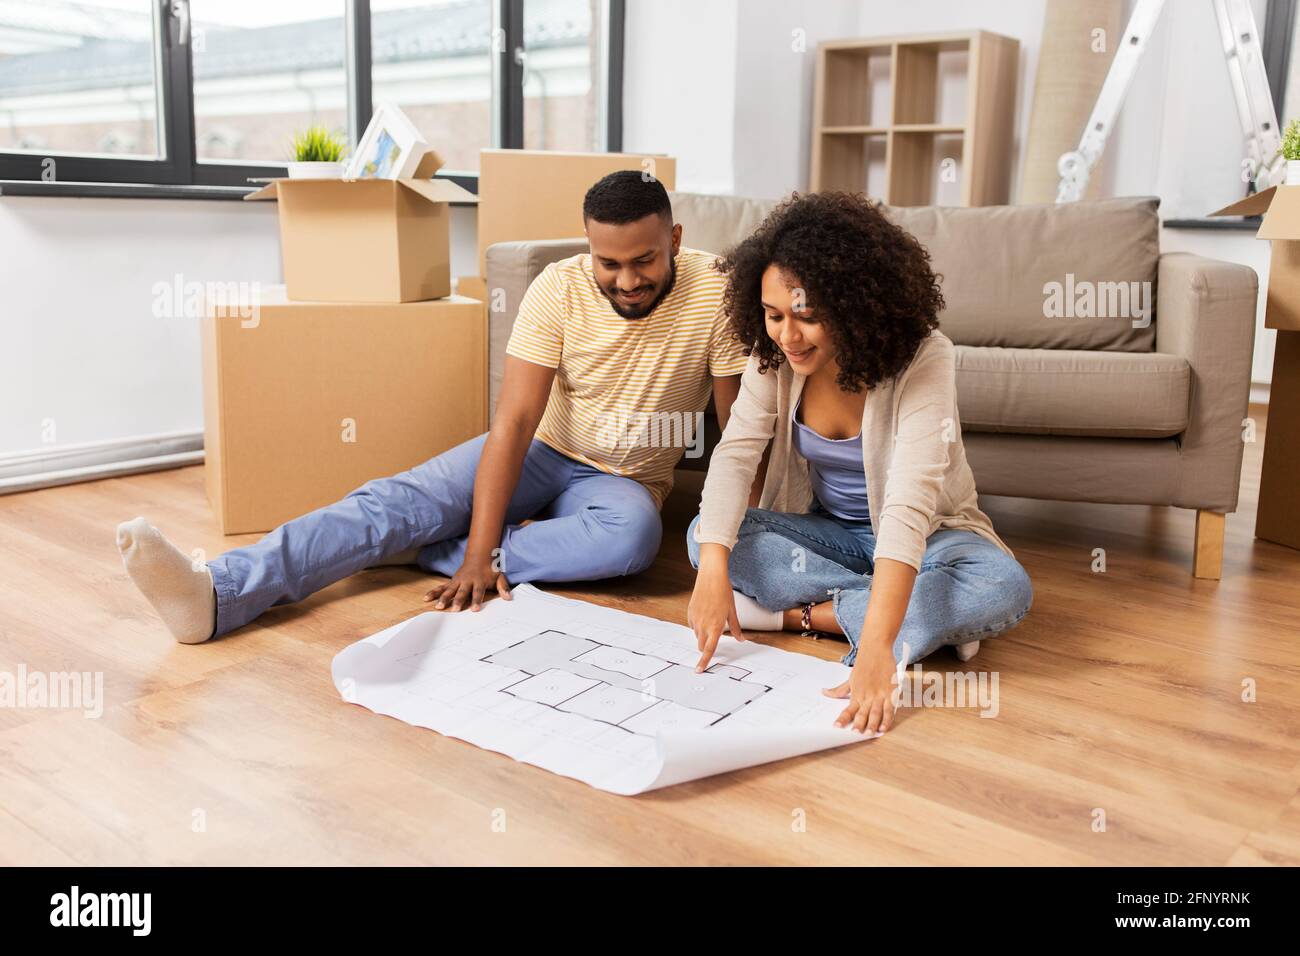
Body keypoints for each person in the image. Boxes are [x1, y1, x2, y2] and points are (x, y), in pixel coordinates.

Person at [118, 170, 749, 643]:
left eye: (644, 260)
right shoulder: (558, 287)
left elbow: (735, 432)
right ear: (589, 248)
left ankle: (420, 545)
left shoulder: (716, 290)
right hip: (542, 449)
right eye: (609, 263)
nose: (628, 281)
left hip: (623, 485)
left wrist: (484, 554)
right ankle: (218, 592)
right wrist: (478, 557)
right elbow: (515, 423)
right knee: (390, 504)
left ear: (674, 239)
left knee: (632, 541)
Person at [685, 191, 1033, 736]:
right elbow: (734, 456)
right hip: (832, 535)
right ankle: (923, 612)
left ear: (852, 307)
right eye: (773, 315)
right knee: (705, 537)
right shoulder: (774, 357)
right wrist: (711, 573)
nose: (787, 335)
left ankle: (797, 616)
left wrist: (878, 646)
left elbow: (911, 501)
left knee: (1002, 586)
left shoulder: (923, 356)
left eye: (806, 317)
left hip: (933, 535)